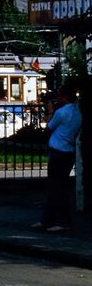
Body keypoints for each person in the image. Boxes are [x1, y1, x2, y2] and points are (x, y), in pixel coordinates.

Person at [34, 82, 81, 233]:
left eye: (60, 95)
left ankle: (61, 221)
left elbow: (48, 127)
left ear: (64, 96)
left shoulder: (61, 113)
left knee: (56, 188)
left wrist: (50, 111)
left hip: (58, 151)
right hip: (69, 151)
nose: (58, 97)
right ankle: (48, 220)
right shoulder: (77, 112)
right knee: (58, 187)